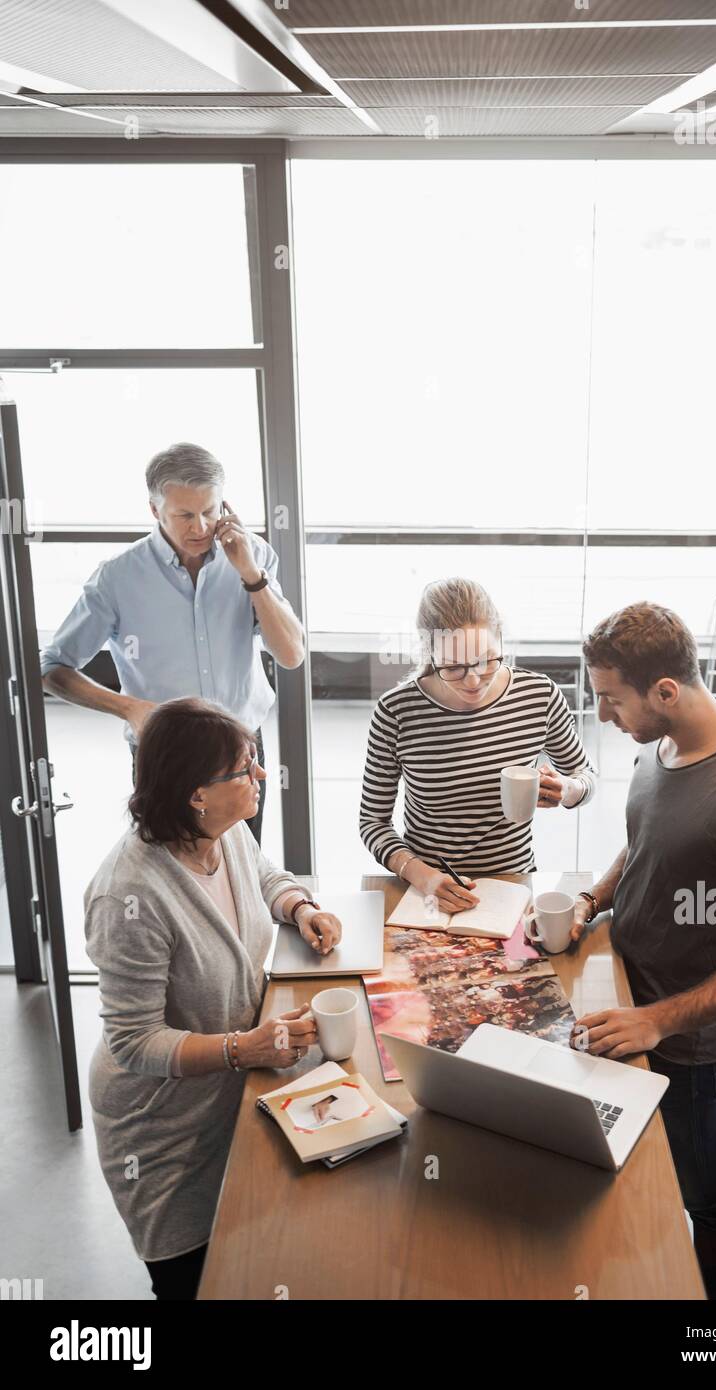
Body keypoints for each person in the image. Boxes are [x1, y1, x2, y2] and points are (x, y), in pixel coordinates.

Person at [568, 601, 716, 1301]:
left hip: (690, 1049)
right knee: (638, 1179)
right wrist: (594, 898)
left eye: (611, 700)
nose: (604, 716)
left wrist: (659, 1021)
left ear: (664, 691)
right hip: (628, 1004)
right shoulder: (662, 745)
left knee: (711, 1197)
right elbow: (647, 840)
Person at [84, 698, 342, 1301]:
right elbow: (134, 1040)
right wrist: (241, 1048)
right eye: (244, 767)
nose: (259, 776)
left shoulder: (222, 835)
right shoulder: (129, 895)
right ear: (195, 792)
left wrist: (300, 906)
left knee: (255, 1260)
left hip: (234, 1090)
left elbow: (265, 875)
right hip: (163, 1128)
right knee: (197, 1281)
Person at [41, 442, 305, 843]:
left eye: (209, 511)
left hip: (240, 750)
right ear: (154, 510)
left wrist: (250, 573)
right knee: (169, 876)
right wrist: (130, 709)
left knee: (245, 872)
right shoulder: (117, 578)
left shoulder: (255, 556)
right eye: (184, 515)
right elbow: (53, 668)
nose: (199, 527)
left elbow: (290, 654)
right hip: (165, 754)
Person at [360, 577, 597, 912]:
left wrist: (569, 789)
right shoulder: (397, 711)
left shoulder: (538, 696)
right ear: (430, 652)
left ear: (500, 639)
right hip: (427, 895)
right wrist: (423, 876)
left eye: (486, 660)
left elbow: (585, 775)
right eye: (453, 667)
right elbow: (372, 821)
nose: (473, 681)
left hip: (513, 888)